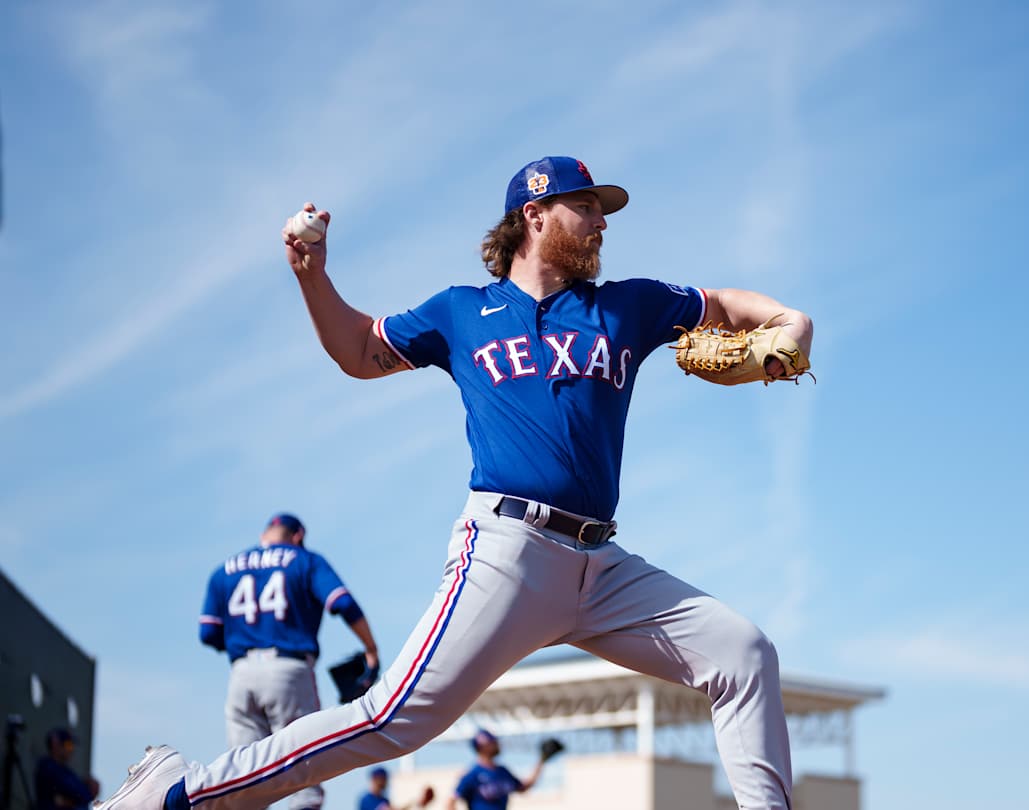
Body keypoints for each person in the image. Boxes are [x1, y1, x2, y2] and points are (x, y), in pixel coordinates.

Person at [95, 156, 813, 810]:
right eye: (586, 206)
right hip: (510, 550)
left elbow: (725, 304)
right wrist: (312, 276)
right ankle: (178, 794)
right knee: (392, 719)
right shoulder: (461, 312)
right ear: (535, 215)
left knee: (742, 653)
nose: (600, 222)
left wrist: (792, 321)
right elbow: (358, 350)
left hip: (604, 566)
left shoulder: (628, 305)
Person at [196, 513, 380, 810]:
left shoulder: (224, 570)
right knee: (303, 764)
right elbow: (343, 603)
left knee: (243, 775)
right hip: (288, 669)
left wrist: (241, 643)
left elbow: (207, 633)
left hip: (241, 674)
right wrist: (370, 647)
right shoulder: (305, 560)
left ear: (265, 533)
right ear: (298, 536)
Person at [446, 731, 543, 810]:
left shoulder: (502, 771)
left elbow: (523, 787)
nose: (497, 744)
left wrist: (542, 761)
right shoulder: (472, 775)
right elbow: (451, 802)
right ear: (483, 747)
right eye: (493, 742)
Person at [34, 728, 98, 810]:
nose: (71, 750)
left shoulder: (64, 770)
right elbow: (76, 792)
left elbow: (85, 795)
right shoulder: (48, 767)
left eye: (72, 746)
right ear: (55, 744)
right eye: (68, 745)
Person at [358, 767, 431, 810]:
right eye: (383, 779)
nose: (386, 782)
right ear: (375, 779)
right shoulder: (366, 799)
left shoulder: (385, 800)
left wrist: (416, 802)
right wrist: (414, 802)